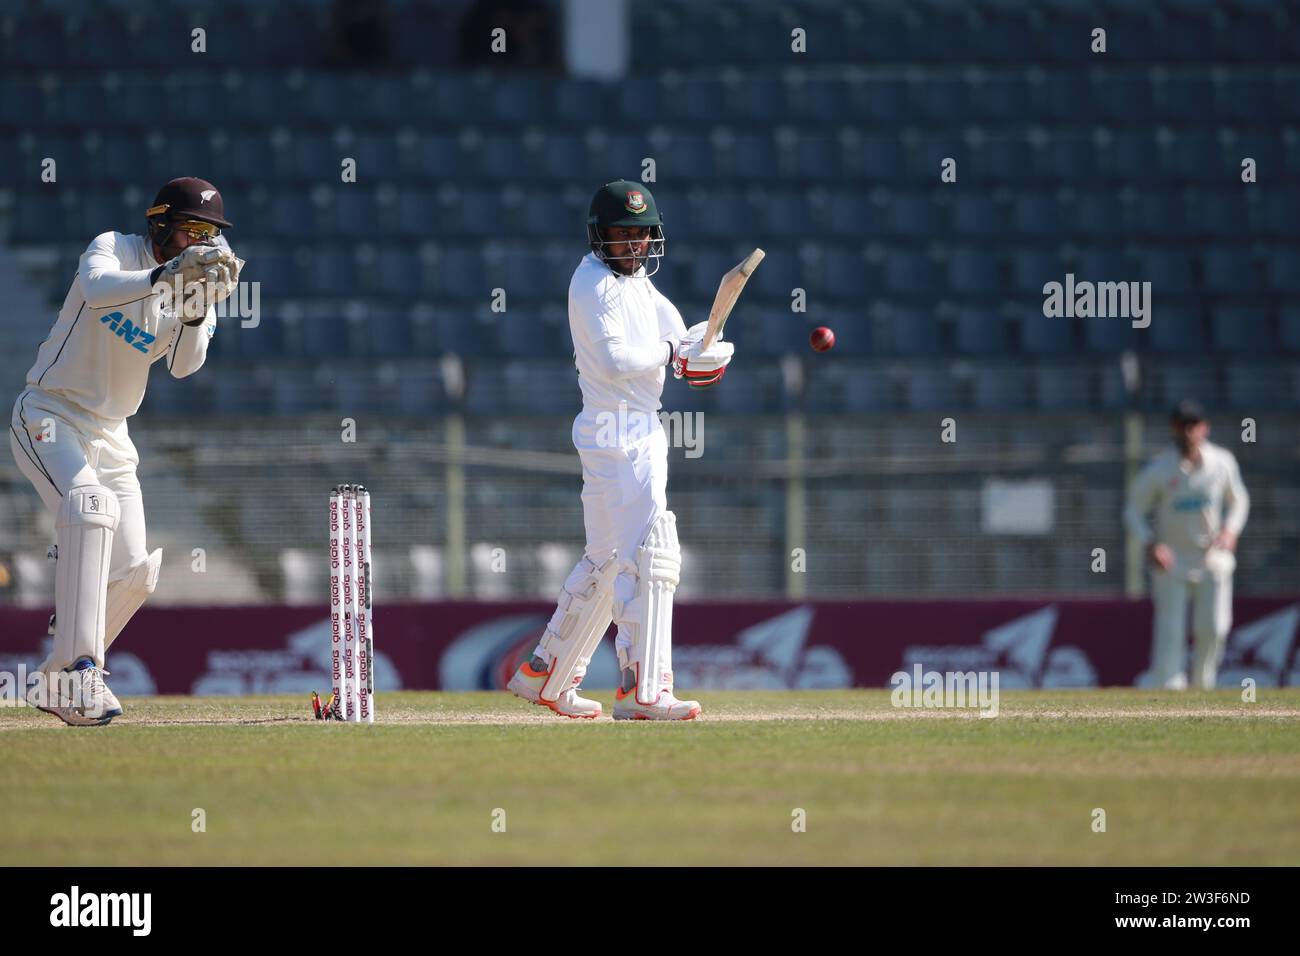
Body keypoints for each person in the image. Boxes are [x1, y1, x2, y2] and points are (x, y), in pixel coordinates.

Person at [12, 177, 241, 725]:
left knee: (138, 570)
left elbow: (185, 366)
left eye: (210, 233)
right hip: (50, 413)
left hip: (113, 434)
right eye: (192, 230)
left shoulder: (194, 289)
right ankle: (77, 668)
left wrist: (190, 312)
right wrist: (164, 276)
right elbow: (96, 289)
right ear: (160, 225)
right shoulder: (113, 247)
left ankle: (56, 675)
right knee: (92, 508)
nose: (203, 243)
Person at [506, 180, 733, 720]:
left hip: (635, 429)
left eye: (640, 235)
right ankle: (643, 691)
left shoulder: (639, 287)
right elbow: (616, 362)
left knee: (608, 560)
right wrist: (672, 352)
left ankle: (546, 675)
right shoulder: (592, 284)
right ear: (599, 236)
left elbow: (684, 338)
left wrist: (709, 347)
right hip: (616, 431)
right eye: (620, 234)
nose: (631, 245)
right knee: (652, 552)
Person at [1124, 400, 1250, 689]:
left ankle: (1204, 686)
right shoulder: (1160, 468)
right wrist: (1151, 544)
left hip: (1212, 556)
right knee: (1171, 632)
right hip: (1173, 559)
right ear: (1173, 428)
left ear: (1204, 428)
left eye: (1193, 425)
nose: (1188, 431)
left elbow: (1239, 500)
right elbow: (1133, 511)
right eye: (1182, 425)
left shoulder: (1222, 462)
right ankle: (1169, 690)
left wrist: (1230, 530)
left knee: (1214, 628)